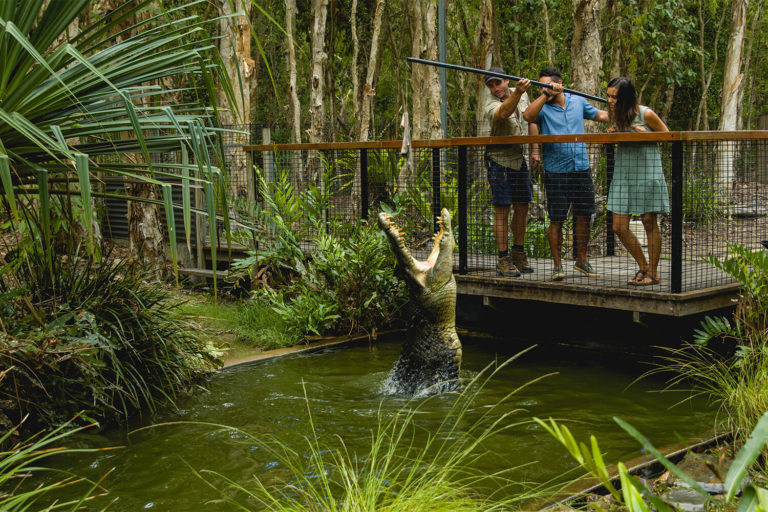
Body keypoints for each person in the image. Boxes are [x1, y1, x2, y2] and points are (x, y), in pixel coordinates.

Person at [523, 67, 609, 281]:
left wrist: (624, 112)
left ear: (559, 84)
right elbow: (528, 116)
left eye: (547, 84)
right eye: (541, 85)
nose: (544, 88)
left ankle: (582, 260)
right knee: (556, 218)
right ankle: (557, 265)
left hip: (581, 168)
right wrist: (544, 94)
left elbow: (599, 115)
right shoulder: (542, 106)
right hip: (556, 170)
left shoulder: (577, 101)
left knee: (584, 215)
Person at [605, 77, 670, 286]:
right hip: (624, 174)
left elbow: (668, 136)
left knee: (649, 222)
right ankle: (643, 265)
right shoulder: (615, 116)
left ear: (626, 98)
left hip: (646, 172)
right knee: (618, 226)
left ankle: (653, 272)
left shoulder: (645, 114)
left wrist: (646, 135)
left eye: (615, 97)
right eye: (608, 95)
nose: (610, 100)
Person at [482, 66, 534, 277]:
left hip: (520, 159)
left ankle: (518, 252)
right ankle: (503, 258)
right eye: (491, 85)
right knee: (502, 210)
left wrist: (535, 149)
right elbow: (503, 112)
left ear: (506, 80)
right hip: (499, 160)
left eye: (498, 83)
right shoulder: (490, 103)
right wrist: (517, 93)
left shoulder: (522, 94)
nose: (495, 88)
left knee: (523, 207)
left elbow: (530, 118)